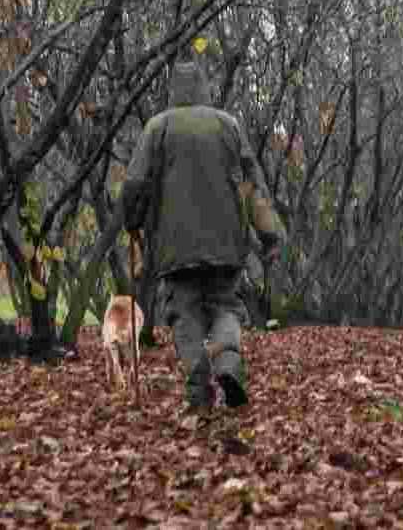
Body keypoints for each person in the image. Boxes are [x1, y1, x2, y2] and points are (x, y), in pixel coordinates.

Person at [120, 60, 282, 413]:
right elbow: (253, 183)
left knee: (184, 315)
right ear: (205, 88)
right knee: (226, 308)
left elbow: (134, 183)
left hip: (174, 247)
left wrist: (132, 222)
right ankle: (227, 365)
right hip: (226, 244)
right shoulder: (228, 125)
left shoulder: (158, 127)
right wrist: (268, 235)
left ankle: (199, 390)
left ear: (174, 91)